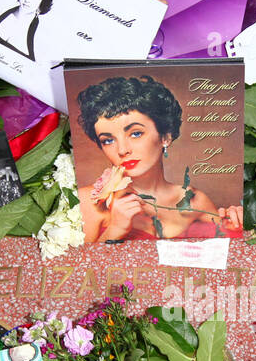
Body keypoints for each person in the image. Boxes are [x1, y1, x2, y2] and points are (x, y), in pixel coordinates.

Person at [75, 76, 243, 243]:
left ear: (165, 137)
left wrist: (236, 221)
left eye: (135, 133)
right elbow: (77, 268)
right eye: (108, 140)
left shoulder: (195, 200)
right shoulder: (89, 202)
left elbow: (225, 254)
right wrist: (116, 230)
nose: (122, 150)